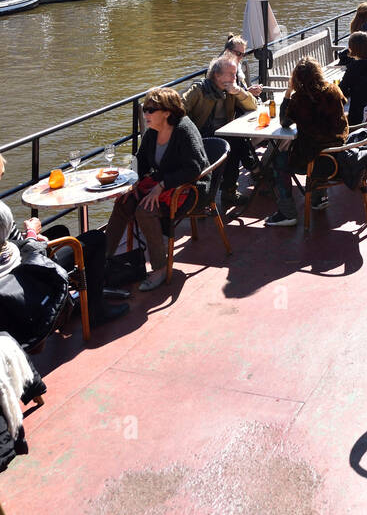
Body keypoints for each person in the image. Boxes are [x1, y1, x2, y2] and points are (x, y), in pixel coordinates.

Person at [0, 156, 129, 341]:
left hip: (14, 263)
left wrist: (32, 238)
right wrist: (32, 234)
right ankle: (96, 310)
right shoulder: (1, 212)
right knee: (96, 239)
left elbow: (8, 244)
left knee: (60, 230)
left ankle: (65, 306)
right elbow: (18, 255)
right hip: (25, 274)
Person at [104, 87, 209, 292]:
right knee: (123, 203)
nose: (145, 115)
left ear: (167, 112)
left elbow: (195, 167)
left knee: (145, 211)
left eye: (151, 110)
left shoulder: (183, 130)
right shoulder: (153, 132)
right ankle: (103, 262)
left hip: (190, 188)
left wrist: (161, 186)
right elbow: (141, 161)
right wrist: (132, 184)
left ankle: (159, 268)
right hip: (164, 183)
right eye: (145, 110)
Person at [268, 60, 349, 226]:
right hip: (339, 154)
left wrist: (287, 94)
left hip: (314, 160)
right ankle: (318, 198)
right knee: (321, 146)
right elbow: (342, 105)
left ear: (296, 79)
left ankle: (287, 213)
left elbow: (284, 121)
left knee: (280, 160)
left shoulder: (300, 100)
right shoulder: (334, 90)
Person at [182, 56, 258, 209]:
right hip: (202, 137)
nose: (234, 77)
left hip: (224, 134)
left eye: (235, 74)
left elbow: (253, 105)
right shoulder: (199, 90)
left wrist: (238, 92)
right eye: (231, 74)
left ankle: (230, 190)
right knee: (234, 144)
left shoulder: (231, 89)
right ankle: (254, 169)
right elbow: (179, 107)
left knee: (236, 141)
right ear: (217, 75)